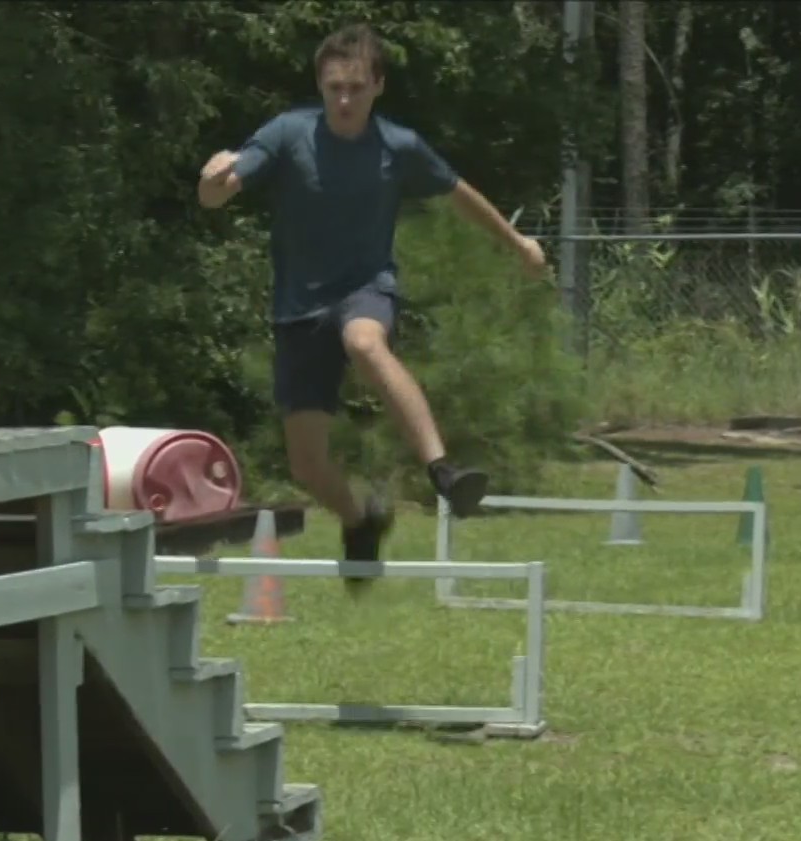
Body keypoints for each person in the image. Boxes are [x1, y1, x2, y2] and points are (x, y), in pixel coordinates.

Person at [196, 23, 548, 584]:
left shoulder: (397, 146)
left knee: (364, 340)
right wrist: (213, 178)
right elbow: (218, 194)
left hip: (365, 287)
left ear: (377, 85)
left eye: (356, 88)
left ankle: (443, 471)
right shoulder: (288, 133)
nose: (344, 100)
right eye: (334, 87)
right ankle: (361, 520)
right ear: (320, 84)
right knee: (307, 465)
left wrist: (517, 243)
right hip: (298, 309)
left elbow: (459, 194)